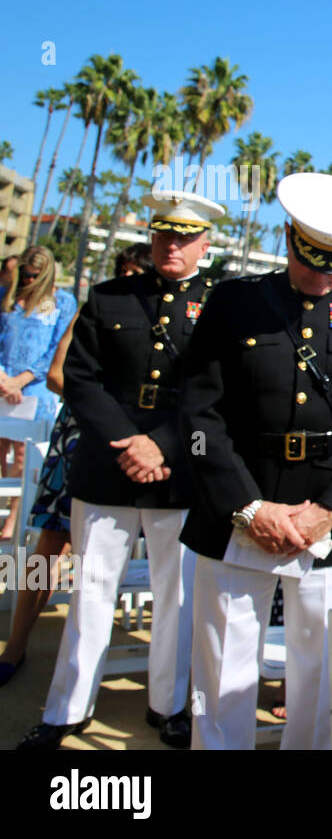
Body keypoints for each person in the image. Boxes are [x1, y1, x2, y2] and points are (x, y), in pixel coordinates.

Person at [181, 172, 332, 750]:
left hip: (329, 526)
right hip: (239, 511)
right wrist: (248, 507)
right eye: (311, 260)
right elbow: (200, 415)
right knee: (222, 678)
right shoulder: (233, 302)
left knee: (322, 682)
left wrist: (328, 511)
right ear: (287, 237)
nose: (323, 277)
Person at [17, 198, 221, 750]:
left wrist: (161, 446)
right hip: (106, 470)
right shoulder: (109, 298)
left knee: (175, 601)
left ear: (207, 244)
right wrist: (127, 444)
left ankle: (169, 707)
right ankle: (66, 710)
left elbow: (217, 392)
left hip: (177, 476)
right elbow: (80, 378)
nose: (171, 247)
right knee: (89, 596)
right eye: (163, 236)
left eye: (184, 239)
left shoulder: (221, 305)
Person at [0, 243, 153, 687]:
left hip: (141, 451)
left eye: (134, 272)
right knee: (49, 544)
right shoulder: (95, 309)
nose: (126, 279)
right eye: (121, 270)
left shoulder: (167, 321)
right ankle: (16, 646)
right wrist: (108, 408)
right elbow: (56, 373)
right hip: (81, 436)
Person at [0, 247, 78, 541]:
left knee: (25, 454)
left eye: (35, 275)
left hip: (34, 388)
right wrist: (3, 377)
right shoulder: (5, 296)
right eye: (25, 275)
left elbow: (58, 347)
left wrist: (22, 380)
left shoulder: (62, 302)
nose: (29, 280)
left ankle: (13, 522)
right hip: (3, 382)